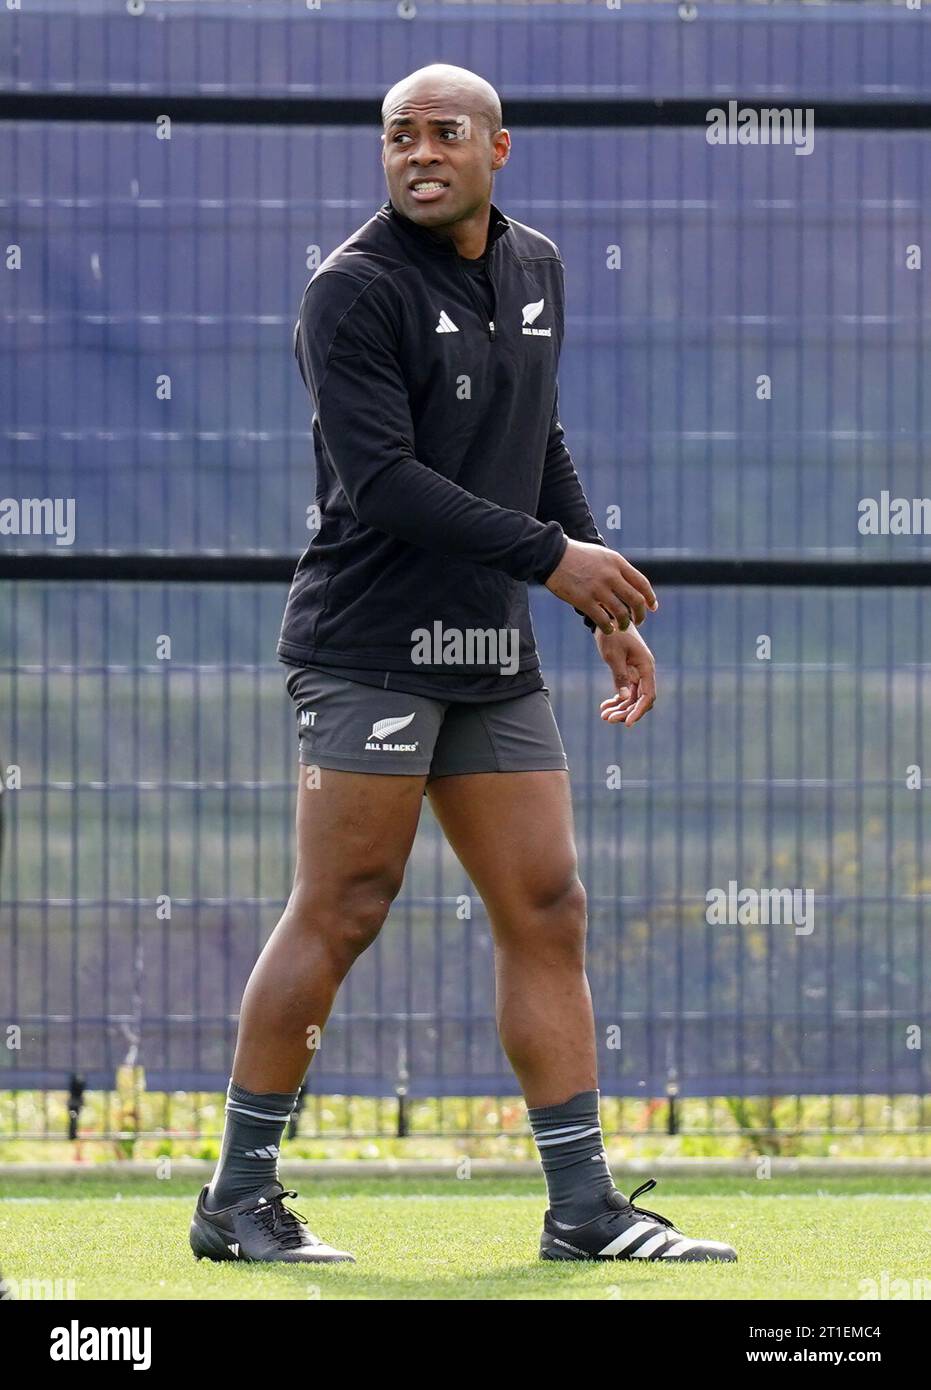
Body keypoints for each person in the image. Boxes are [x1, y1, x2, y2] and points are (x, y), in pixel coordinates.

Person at [189, 63, 736, 1266]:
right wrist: (557, 560)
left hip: (490, 649)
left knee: (548, 906)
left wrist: (597, 595)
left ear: (499, 148)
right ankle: (234, 1201)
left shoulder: (535, 267)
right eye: (397, 135)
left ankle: (583, 1210)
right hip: (369, 647)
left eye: (444, 132)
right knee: (345, 905)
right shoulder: (352, 290)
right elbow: (381, 484)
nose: (418, 151)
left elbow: (531, 428)